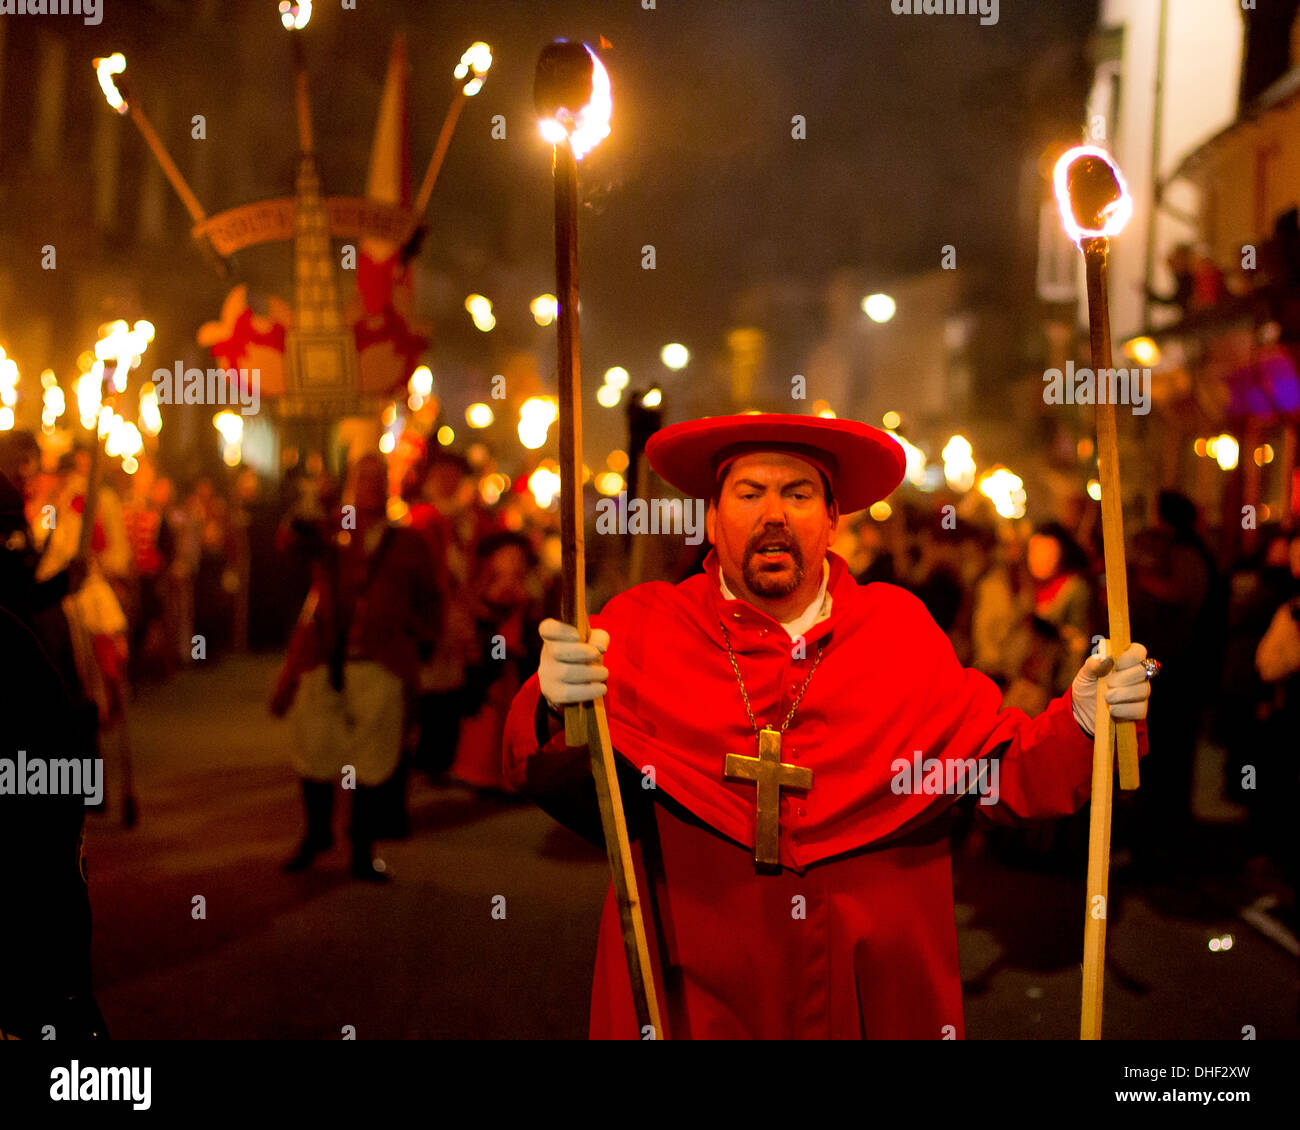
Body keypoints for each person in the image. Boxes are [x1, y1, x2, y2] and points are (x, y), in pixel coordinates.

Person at [503, 413, 1152, 1039]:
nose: (774, 514)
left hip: (866, 994)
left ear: (833, 519)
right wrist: (556, 706)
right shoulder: (644, 626)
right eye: (750, 492)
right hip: (691, 995)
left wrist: (1082, 723)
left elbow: (997, 772)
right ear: (711, 516)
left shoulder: (897, 632)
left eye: (799, 493)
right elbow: (559, 777)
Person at [271, 454, 440, 880]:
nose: (371, 484)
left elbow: (430, 599)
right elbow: (289, 543)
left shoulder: (409, 541)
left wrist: (415, 640)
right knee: (314, 748)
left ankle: (362, 848)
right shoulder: (332, 529)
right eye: (363, 477)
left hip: (380, 662)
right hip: (324, 657)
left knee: (373, 758)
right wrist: (308, 508)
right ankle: (316, 834)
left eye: (378, 477)